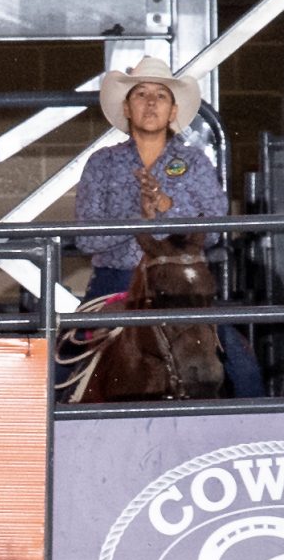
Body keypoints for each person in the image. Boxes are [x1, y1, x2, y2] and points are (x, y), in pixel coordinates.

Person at [71, 57, 265, 398]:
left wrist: (166, 208)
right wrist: (137, 222)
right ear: (127, 109)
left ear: (173, 110)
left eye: (160, 95)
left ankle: (257, 430)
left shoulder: (193, 162)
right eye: (140, 94)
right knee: (64, 358)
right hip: (116, 284)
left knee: (240, 363)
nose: (150, 103)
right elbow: (86, 238)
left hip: (182, 289)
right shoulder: (102, 164)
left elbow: (216, 224)